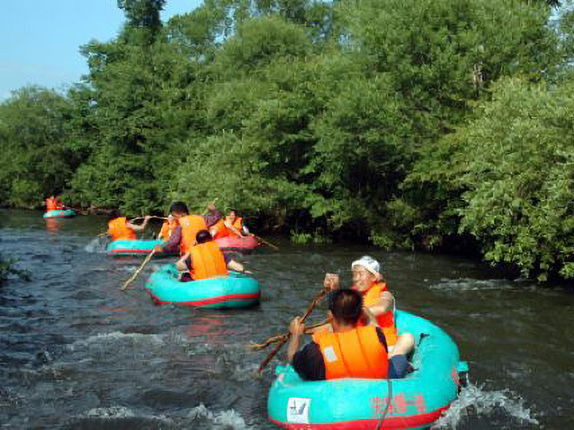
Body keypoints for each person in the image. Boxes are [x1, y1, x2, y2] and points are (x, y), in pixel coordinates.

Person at [287, 289, 412, 381]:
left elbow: (292, 359)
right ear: (359, 314)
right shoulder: (376, 333)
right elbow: (371, 321)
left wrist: (296, 335)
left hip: (338, 403)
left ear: (330, 316)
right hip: (378, 385)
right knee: (400, 353)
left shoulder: (315, 350)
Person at [324, 256, 414, 354]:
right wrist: (334, 290)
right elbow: (338, 313)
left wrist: (351, 311)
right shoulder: (352, 296)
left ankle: (392, 358)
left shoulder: (385, 295)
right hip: (362, 344)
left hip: (386, 346)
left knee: (407, 338)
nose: (356, 278)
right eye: (354, 274)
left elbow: (382, 308)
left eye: (360, 274)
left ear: (374, 277)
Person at [153, 201, 221, 255]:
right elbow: (216, 217)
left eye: (174, 215)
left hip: (190, 257)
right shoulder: (202, 219)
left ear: (179, 214)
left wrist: (162, 249)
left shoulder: (180, 226)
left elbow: (172, 244)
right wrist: (214, 210)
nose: (174, 218)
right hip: (207, 254)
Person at [176, 230, 246, 280]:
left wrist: (190, 250)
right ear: (211, 239)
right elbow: (236, 267)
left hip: (202, 284)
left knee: (183, 275)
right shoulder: (219, 251)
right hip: (221, 283)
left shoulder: (193, 253)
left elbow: (179, 266)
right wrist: (244, 271)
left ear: (197, 242)